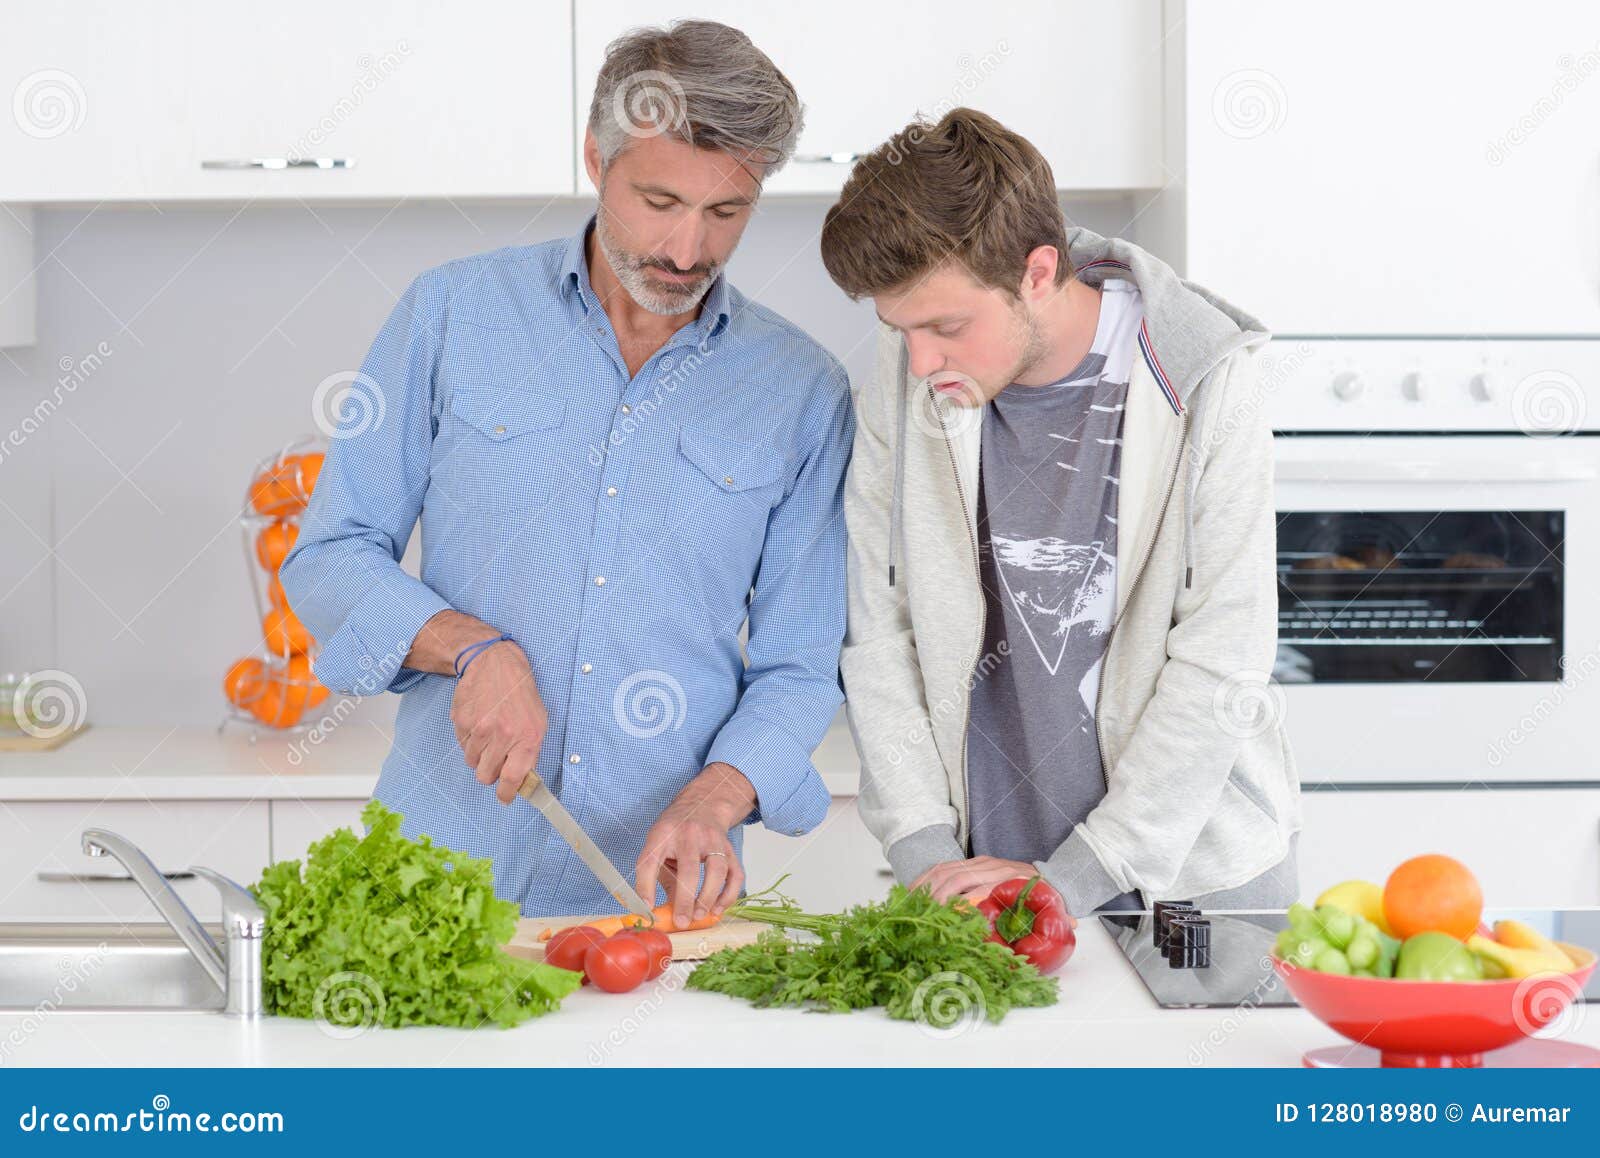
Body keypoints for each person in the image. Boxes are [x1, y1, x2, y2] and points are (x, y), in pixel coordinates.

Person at [281, 21, 853, 925]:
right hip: (439, 879)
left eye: (726, 213)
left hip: (655, 908)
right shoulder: (451, 314)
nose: (685, 251)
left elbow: (800, 662)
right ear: (596, 156)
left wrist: (720, 795)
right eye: (659, 200)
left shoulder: (803, 389)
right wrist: (471, 646)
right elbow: (329, 555)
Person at [821, 108, 1300, 917]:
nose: (922, 360)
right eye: (901, 330)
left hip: (1188, 892)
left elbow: (1224, 658)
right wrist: (924, 853)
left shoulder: (1207, 377)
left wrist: (1076, 878)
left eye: (947, 326)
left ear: (1039, 273)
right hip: (975, 889)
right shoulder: (908, 374)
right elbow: (880, 629)